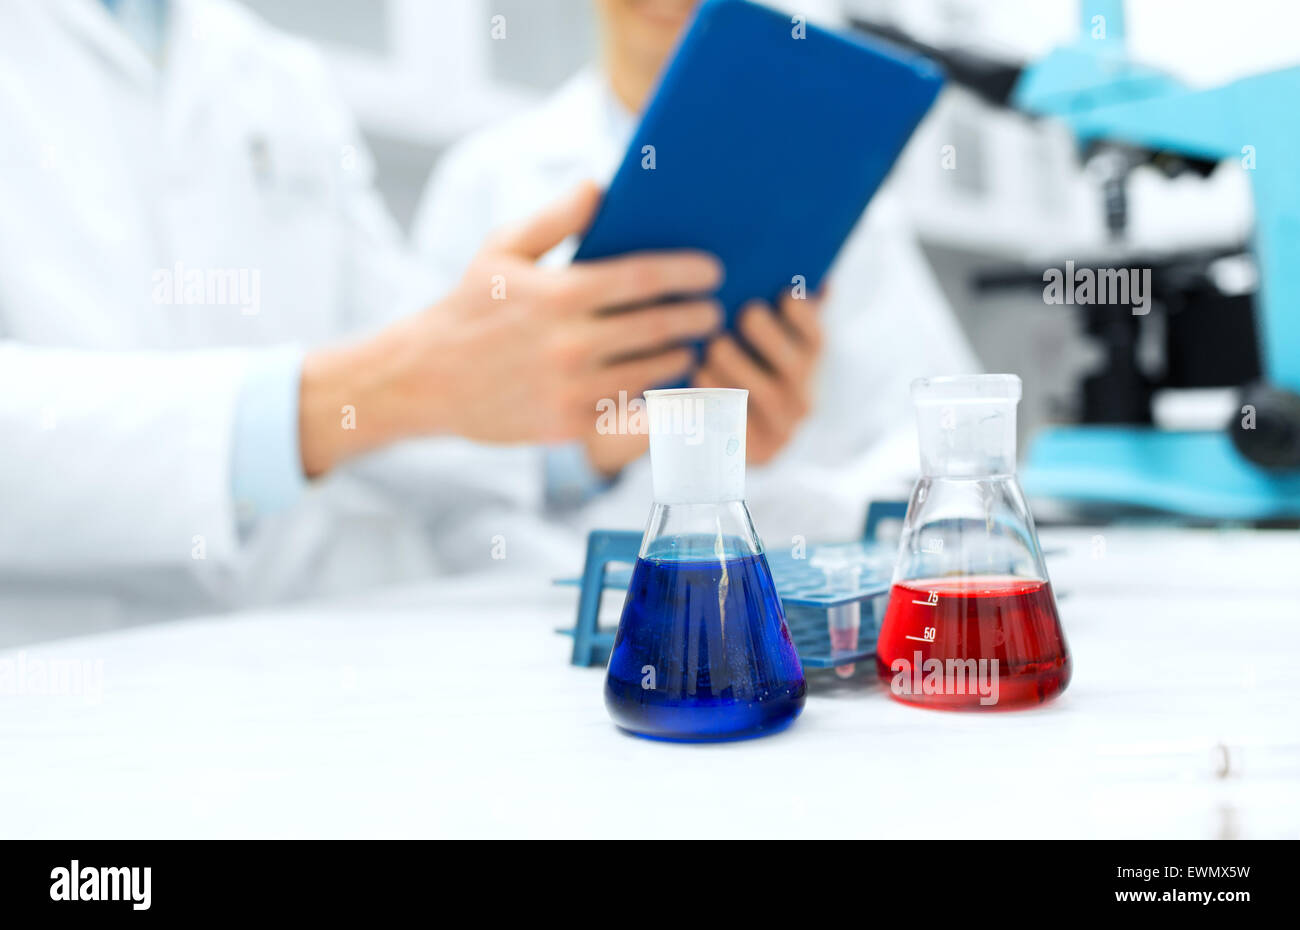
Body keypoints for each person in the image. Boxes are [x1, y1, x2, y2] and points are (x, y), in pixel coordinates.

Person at [0, 0, 724, 629]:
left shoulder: (277, 74)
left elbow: (409, 361)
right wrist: (340, 401)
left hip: (278, 658)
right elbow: (385, 383)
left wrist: (591, 441)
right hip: (55, 674)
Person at [411, 0, 978, 545]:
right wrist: (580, 455)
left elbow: (948, 443)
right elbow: (437, 482)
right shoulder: (484, 180)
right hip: (549, 615)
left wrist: (780, 480)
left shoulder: (839, 197)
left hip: (788, 611)